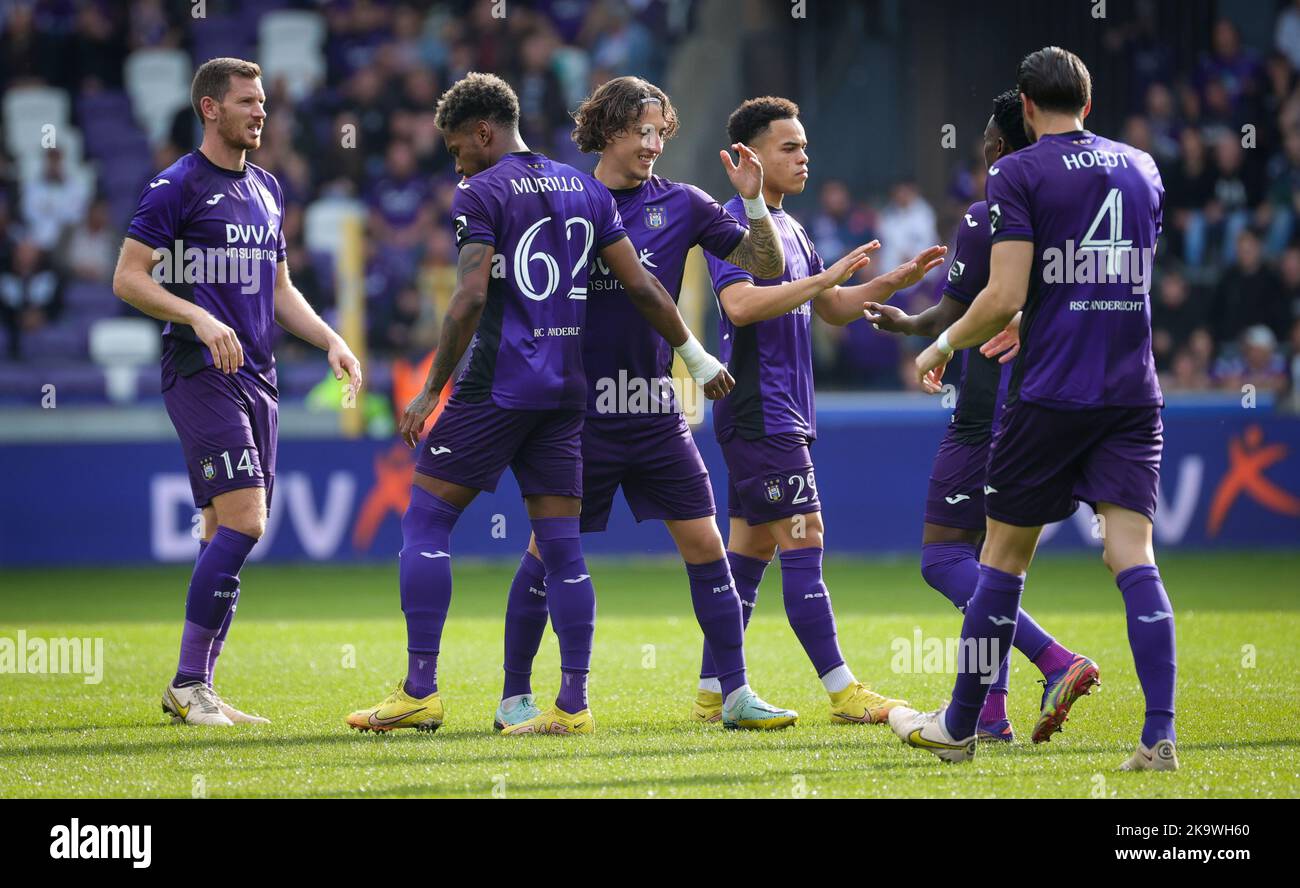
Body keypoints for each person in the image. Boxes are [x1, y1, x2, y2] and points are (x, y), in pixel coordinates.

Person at [344, 72, 734, 736]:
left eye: (457, 144)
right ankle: (572, 703)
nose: (456, 158)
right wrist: (694, 354)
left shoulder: (481, 189)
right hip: (567, 392)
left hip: (497, 384)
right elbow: (641, 286)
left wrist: (432, 389)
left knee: (427, 521)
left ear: (484, 132)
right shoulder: (582, 187)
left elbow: (468, 298)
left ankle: (419, 690)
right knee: (561, 546)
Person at [493, 76, 813, 732]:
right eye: (640, 131)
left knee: (705, 543)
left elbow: (765, 262)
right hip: (578, 416)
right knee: (542, 553)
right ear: (607, 130)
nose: (651, 144)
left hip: (653, 409)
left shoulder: (686, 204)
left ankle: (735, 693)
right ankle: (516, 695)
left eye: (660, 133)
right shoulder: (561, 202)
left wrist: (754, 206)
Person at [897, 47, 1176, 771]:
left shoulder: (1016, 171)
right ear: (1090, 100)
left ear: (1025, 105)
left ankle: (960, 726)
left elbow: (1006, 295)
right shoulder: (1143, 167)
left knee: (1001, 558)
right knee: (1131, 555)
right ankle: (1158, 737)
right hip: (1133, 392)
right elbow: (1106, 269)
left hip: (1051, 392)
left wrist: (939, 347)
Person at [113, 58, 363, 726]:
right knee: (248, 521)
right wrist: (195, 313)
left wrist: (331, 340)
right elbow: (128, 278)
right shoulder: (175, 187)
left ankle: (199, 691)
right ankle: (189, 682)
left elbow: (279, 291)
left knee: (223, 527)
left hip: (259, 378)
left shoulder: (268, 189)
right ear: (210, 109)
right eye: (247, 101)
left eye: (263, 103)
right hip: (200, 373)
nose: (261, 112)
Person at [865, 89, 1098, 745]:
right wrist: (912, 321)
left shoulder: (989, 212)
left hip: (984, 413)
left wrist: (922, 330)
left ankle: (1055, 660)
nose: (983, 154)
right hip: (1049, 404)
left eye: (987, 144)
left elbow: (966, 311)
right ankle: (989, 714)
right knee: (993, 565)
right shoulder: (1072, 213)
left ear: (1000, 144)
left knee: (944, 558)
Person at [704, 96, 945, 724]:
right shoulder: (734, 223)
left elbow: (830, 306)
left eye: (805, 145)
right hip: (761, 411)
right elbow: (742, 307)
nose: (804, 156)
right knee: (805, 539)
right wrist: (822, 281)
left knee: (751, 553)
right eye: (790, 147)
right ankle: (843, 692)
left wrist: (891, 281)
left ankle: (712, 690)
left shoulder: (794, 225)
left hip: (780, 411)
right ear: (752, 159)